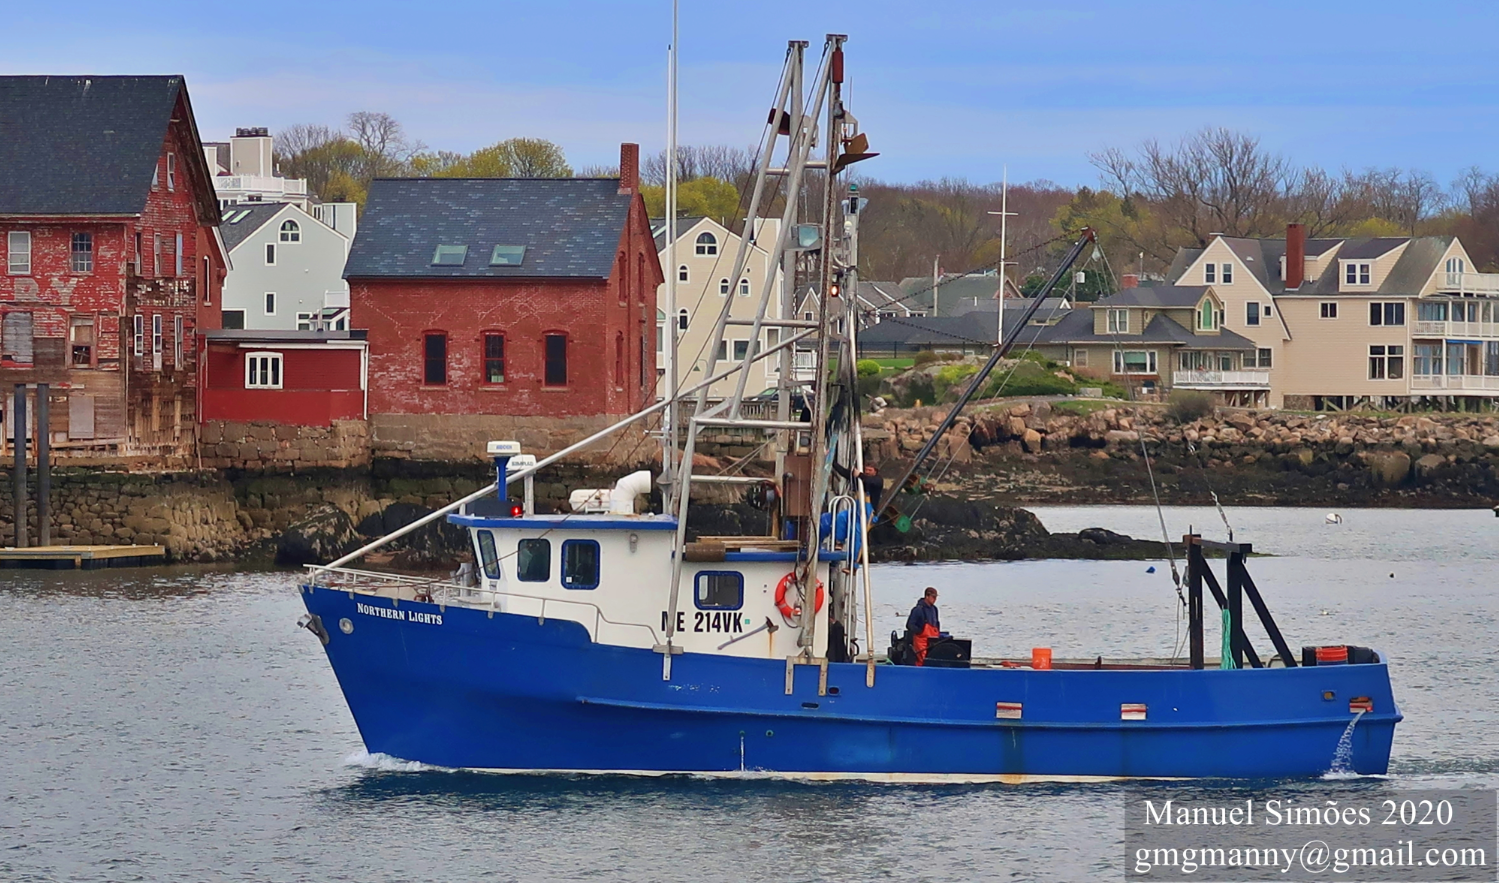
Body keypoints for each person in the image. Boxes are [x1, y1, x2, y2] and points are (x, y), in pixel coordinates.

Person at [905, 587, 942, 666]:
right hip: (921, 641)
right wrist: (920, 631)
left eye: (936, 597)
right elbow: (909, 625)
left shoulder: (934, 609)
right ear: (927, 596)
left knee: (933, 659)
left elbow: (937, 623)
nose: (935, 599)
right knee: (922, 661)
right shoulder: (918, 610)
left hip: (933, 640)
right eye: (933, 597)